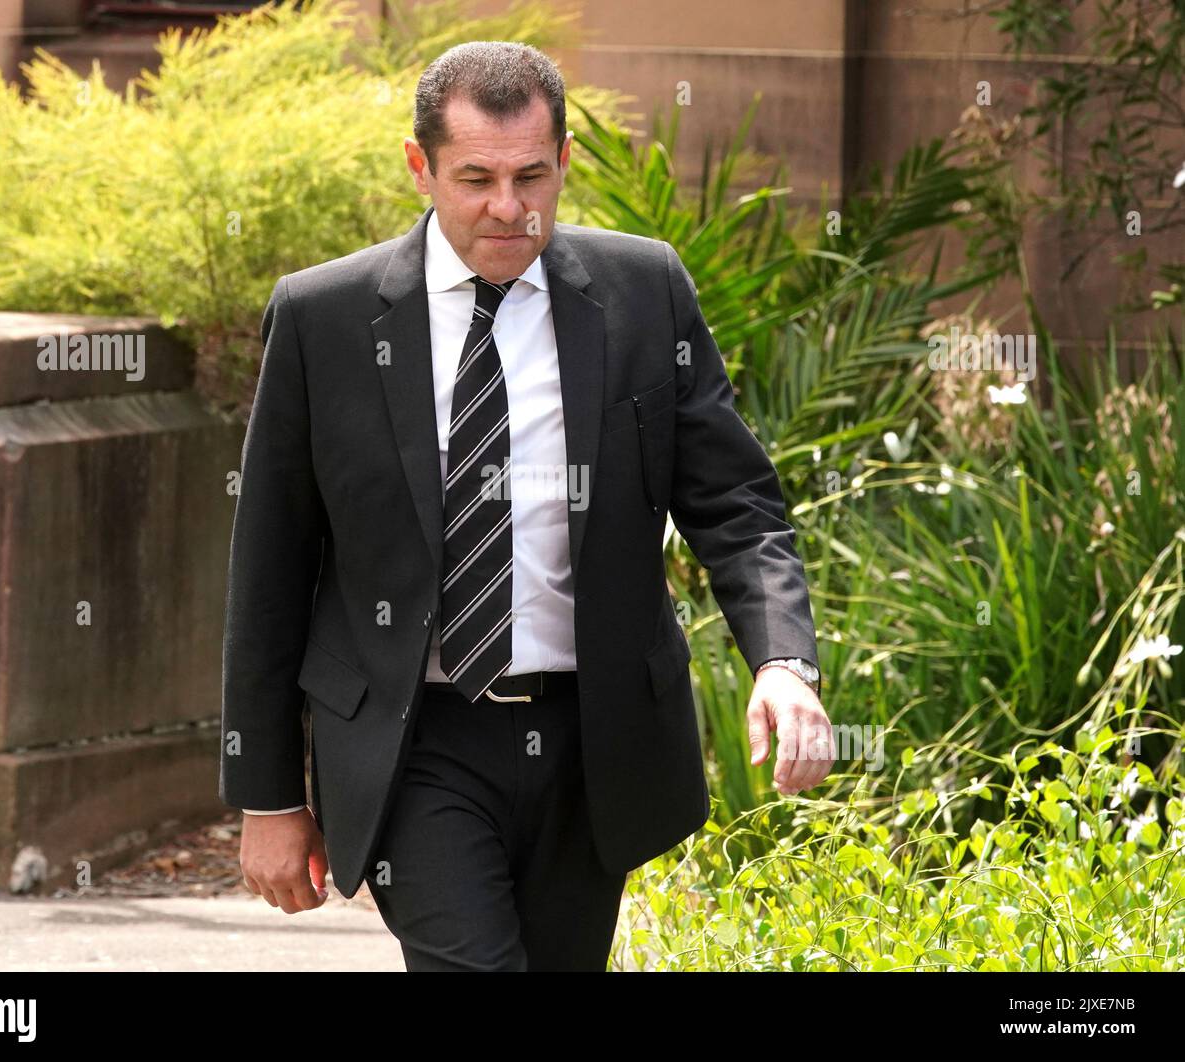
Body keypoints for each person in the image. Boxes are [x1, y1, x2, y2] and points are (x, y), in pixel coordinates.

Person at [219, 40, 833, 972]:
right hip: (416, 739)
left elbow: (734, 501)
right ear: (420, 168)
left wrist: (783, 661)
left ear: (565, 163)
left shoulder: (642, 292)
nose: (509, 207)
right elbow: (271, 564)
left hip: (593, 740)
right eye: (476, 178)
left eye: (531, 176)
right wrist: (268, 795)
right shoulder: (324, 318)